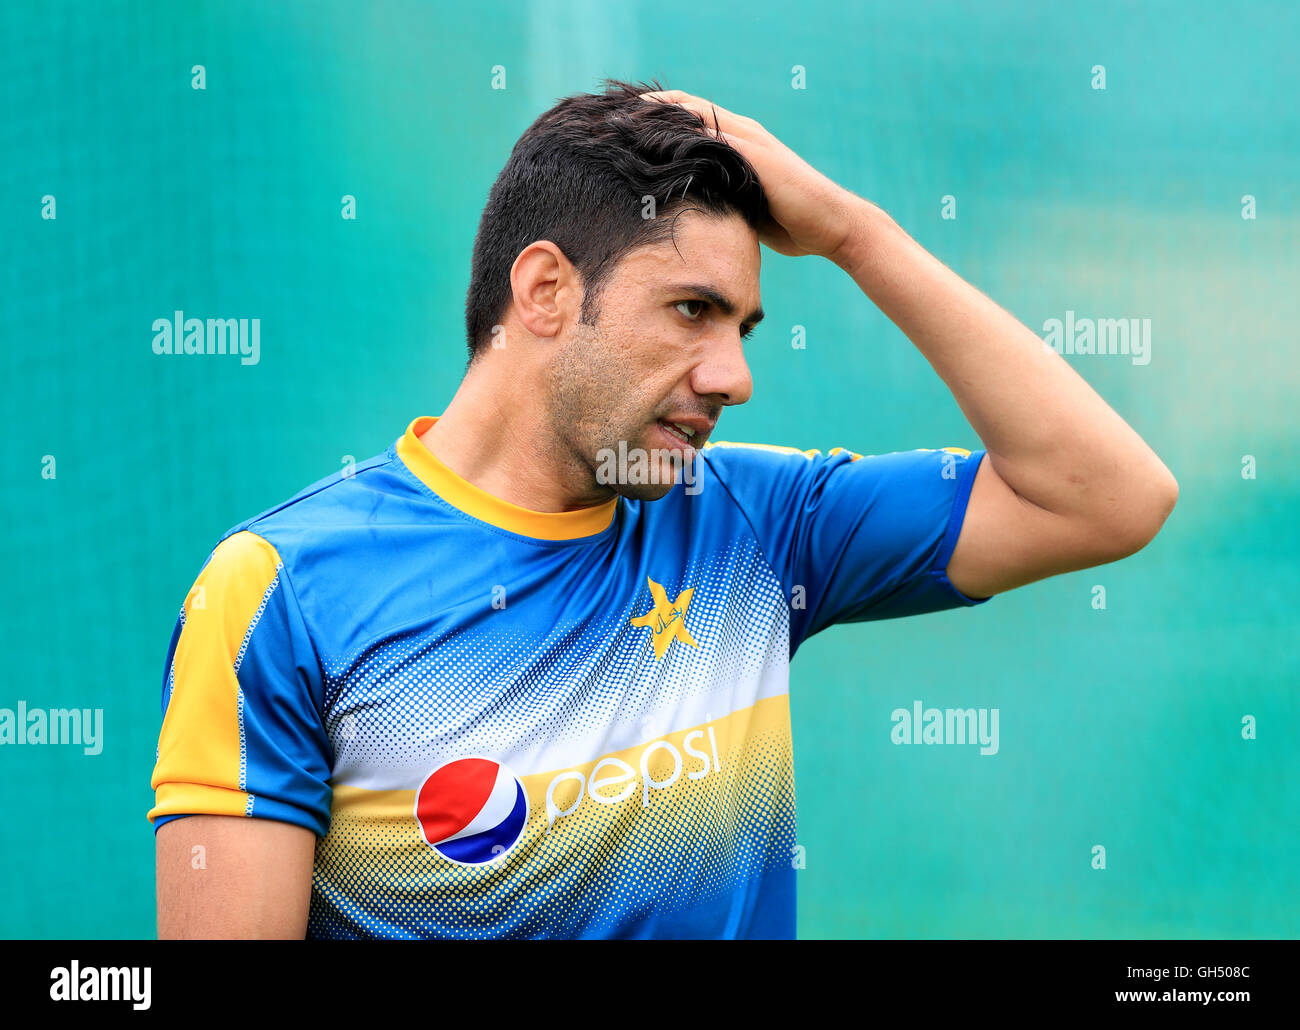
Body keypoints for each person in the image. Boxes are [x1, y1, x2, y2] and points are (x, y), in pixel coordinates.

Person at [150, 78, 1177, 939]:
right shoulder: (279, 589)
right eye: (692, 310)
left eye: (744, 327)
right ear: (545, 291)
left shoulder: (760, 524)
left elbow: (1109, 496)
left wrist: (855, 234)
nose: (734, 376)